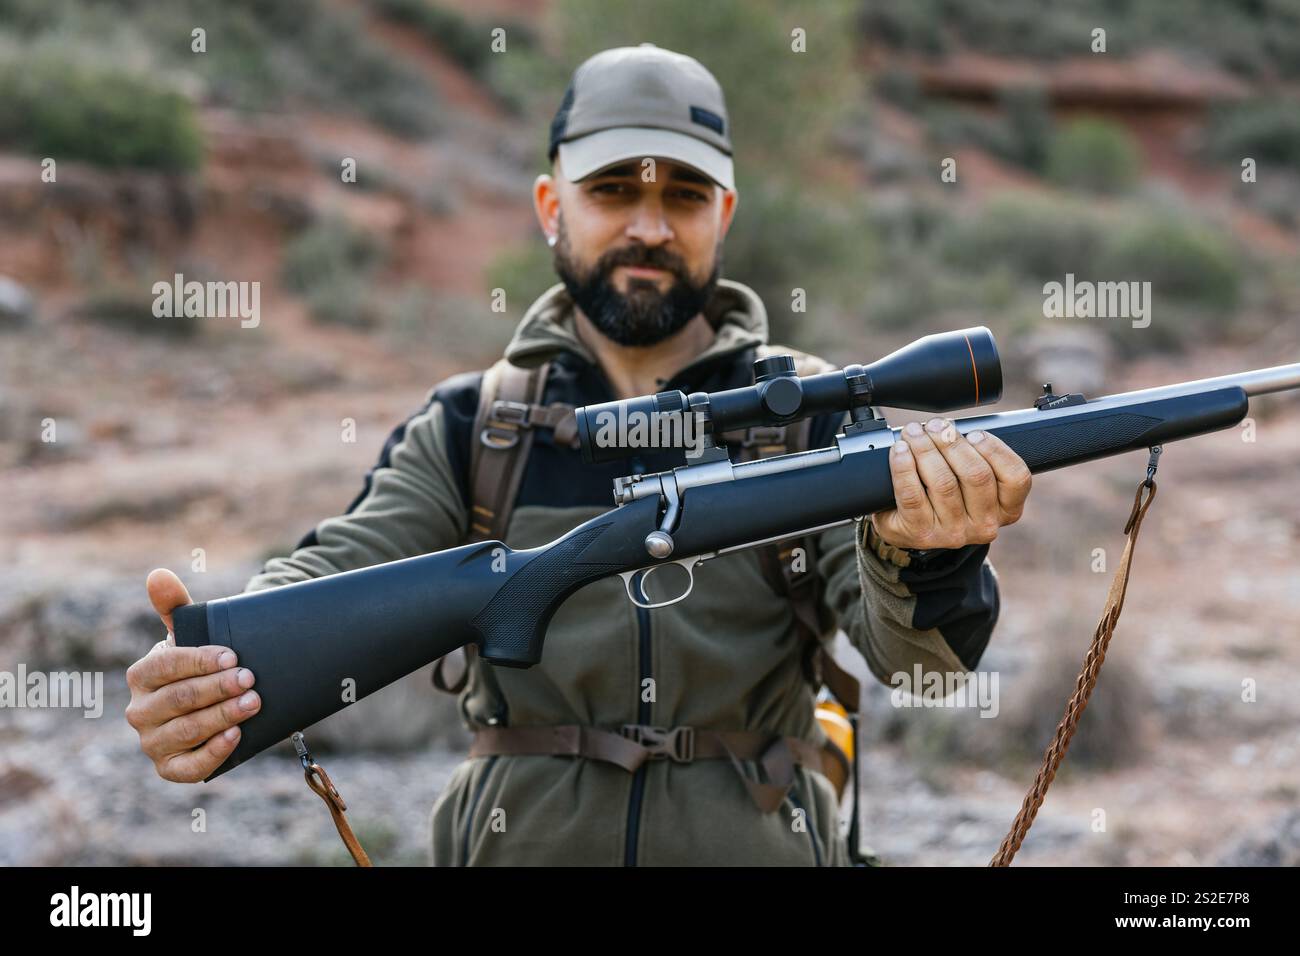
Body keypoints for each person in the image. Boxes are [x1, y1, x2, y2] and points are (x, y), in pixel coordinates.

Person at [126, 44, 1032, 865]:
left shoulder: (814, 417)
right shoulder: (477, 426)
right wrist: (212, 674)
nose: (649, 228)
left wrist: (928, 550)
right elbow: (339, 570)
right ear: (551, 206)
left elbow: (920, 666)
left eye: (682, 196)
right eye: (613, 193)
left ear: (725, 214)